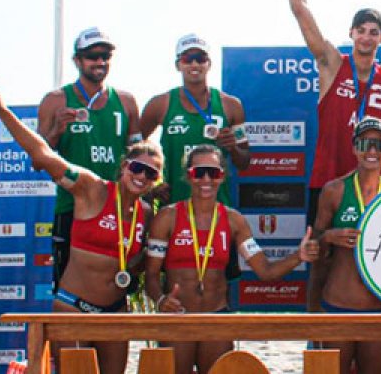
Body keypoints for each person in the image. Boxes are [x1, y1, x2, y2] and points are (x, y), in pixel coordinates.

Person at [0, 83, 160, 374]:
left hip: (114, 313)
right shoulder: (92, 189)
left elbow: (134, 264)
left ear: (156, 180)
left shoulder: (145, 213)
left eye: (151, 173)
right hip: (75, 307)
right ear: (123, 166)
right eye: (136, 167)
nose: (141, 176)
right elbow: (44, 154)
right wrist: (2, 111)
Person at [145, 144, 318, 374]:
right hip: (179, 320)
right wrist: (160, 300)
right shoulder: (167, 217)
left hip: (217, 320)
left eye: (213, 172)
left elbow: (265, 271)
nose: (206, 179)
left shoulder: (234, 221)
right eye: (199, 172)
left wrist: (299, 256)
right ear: (189, 175)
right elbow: (151, 276)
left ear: (222, 176)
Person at [272, 0, 381, 226]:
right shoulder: (332, 64)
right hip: (326, 179)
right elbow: (300, 8)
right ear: (351, 33)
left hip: (370, 186)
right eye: (360, 30)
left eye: (373, 31)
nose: (366, 36)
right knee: (319, 260)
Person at [36, 27, 142, 291]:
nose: (100, 62)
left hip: (116, 208)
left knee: (116, 287)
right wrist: (56, 131)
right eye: (92, 55)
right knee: (68, 288)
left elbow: (139, 156)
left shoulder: (126, 102)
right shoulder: (56, 100)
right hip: (72, 206)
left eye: (105, 55)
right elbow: (38, 161)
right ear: (77, 60)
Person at [312, 117, 381, 374]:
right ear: (354, 148)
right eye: (364, 144)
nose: (371, 151)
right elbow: (314, 251)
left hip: (378, 310)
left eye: (379, 144)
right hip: (338, 305)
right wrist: (329, 237)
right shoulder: (334, 190)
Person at [140, 34, 250, 207]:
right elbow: (133, 150)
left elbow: (244, 162)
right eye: (187, 59)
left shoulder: (231, 105)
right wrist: (151, 184)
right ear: (178, 65)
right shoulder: (160, 104)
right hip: (174, 204)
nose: (194, 64)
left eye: (200, 58)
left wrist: (233, 148)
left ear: (209, 64)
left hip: (217, 206)